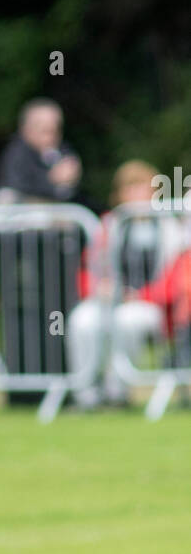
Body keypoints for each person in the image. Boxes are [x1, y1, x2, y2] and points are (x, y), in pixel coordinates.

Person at [68, 161, 189, 406]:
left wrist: (140, 295)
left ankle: (117, 392)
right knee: (81, 320)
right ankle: (86, 394)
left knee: (126, 320)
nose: (135, 196)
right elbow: (88, 270)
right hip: (108, 299)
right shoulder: (110, 226)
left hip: (152, 306)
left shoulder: (170, 228)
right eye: (129, 189)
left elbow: (175, 278)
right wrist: (97, 288)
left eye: (141, 188)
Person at [0, 99, 84, 402]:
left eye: (54, 129)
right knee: (28, 321)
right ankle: (26, 392)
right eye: (42, 128)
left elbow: (73, 193)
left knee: (60, 318)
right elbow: (22, 190)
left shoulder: (64, 151)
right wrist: (53, 182)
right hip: (24, 261)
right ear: (26, 129)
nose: (50, 135)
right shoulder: (17, 155)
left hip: (58, 262)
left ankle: (62, 386)